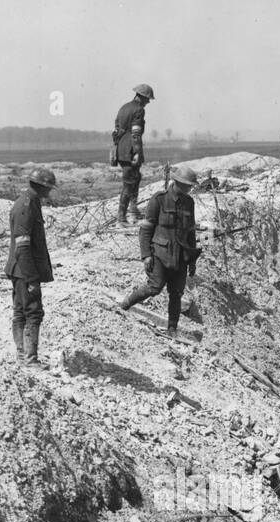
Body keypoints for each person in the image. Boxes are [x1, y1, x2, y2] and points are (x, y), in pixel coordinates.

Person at [118, 164, 200, 337]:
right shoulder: (159, 199)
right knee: (154, 287)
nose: (189, 189)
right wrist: (146, 255)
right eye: (186, 185)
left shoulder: (189, 202)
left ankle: (172, 328)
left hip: (180, 257)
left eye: (190, 186)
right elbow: (146, 229)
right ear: (176, 182)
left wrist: (192, 260)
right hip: (160, 254)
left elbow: (190, 232)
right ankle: (126, 303)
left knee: (176, 294)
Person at [3, 167, 56, 366]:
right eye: (48, 188)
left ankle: (22, 355)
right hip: (24, 270)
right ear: (42, 187)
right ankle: (29, 359)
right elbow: (22, 247)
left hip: (21, 269)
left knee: (21, 310)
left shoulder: (31, 202)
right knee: (32, 312)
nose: (49, 192)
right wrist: (32, 279)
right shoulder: (26, 206)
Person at [113, 83, 154, 225]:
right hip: (130, 150)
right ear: (142, 97)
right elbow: (136, 133)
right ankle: (122, 217)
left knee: (136, 178)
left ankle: (133, 210)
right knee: (129, 183)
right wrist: (137, 152)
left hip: (121, 149)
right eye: (148, 99)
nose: (148, 102)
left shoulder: (123, 107)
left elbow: (117, 129)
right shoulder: (139, 110)